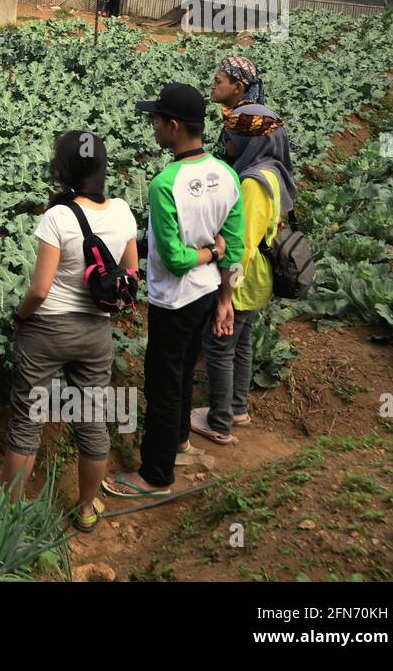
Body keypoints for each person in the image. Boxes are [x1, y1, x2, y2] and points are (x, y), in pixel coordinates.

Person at [103, 83, 244, 499]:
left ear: (174, 126)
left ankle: (156, 475)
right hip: (206, 296)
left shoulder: (166, 183)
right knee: (183, 373)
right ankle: (180, 442)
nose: (153, 127)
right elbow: (232, 248)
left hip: (174, 299)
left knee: (162, 385)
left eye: (156, 120)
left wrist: (203, 252)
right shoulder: (226, 174)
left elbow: (178, 258)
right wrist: (225, 300)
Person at [4, 131, 138, 532]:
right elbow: (131, 276)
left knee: (28, 418)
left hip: (46, 330)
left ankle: (8, 514)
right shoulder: (123, 212)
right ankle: (86, 509)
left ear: (62, 169)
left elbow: (40, 290)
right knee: (92, 419)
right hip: (95, 332)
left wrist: (19, 315)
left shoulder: (58, 217)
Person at [193, 101, 296, 444]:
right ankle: (237, 408)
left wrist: (226, 295)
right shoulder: (273, 170)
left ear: (252, 141)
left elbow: (244, 246)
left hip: (245, 279)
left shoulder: (252, 182)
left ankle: (219, 421)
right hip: (261, 278)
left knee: (219, 344)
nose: (226, 142)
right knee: (242, 341)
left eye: (232, 136)